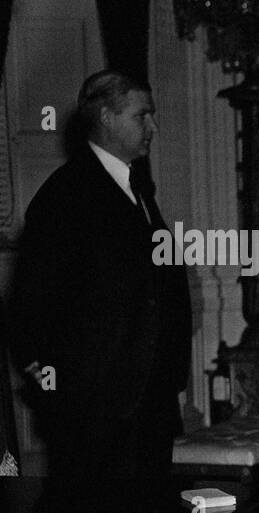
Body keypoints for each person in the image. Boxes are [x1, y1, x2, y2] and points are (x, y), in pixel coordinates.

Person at [10, 70, 191, 480]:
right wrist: (59, 387)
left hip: (147, 405)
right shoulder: (66, 195)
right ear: (107, 118)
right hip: (94, 412)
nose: (153, 127)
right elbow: (30, 301)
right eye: (141, 116)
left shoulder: (138, 187)